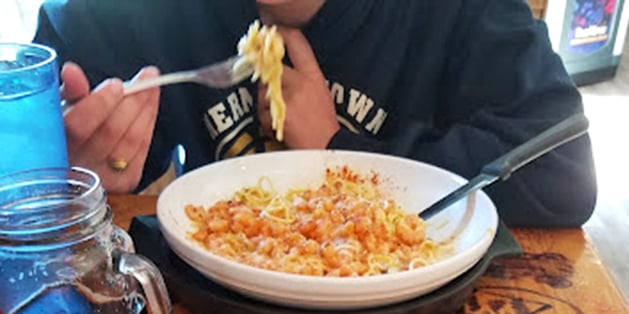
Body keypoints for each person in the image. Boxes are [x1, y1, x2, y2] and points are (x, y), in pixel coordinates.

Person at [34, 0, 597, 227]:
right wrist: (67, 178)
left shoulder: (462, 12)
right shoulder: (126, 12)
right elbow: (45, 143)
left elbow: (562, 172)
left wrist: (340, 152)